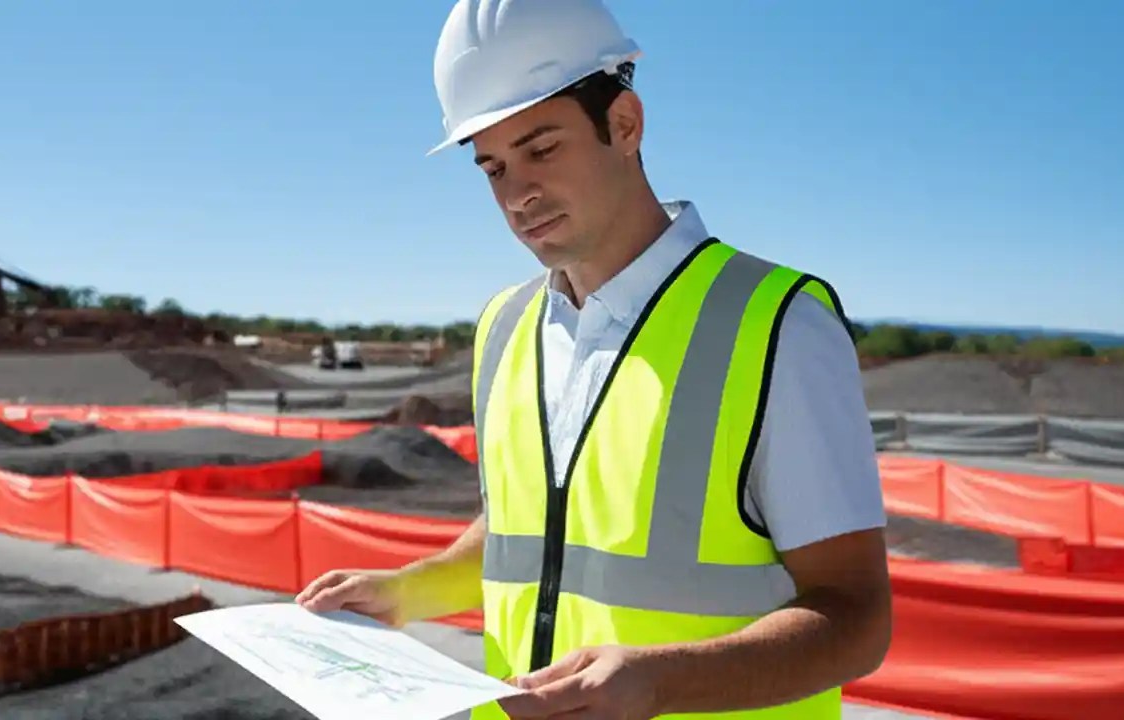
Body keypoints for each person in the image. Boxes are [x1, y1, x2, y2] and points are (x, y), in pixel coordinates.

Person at [297, 1, 892, 717]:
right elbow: (534, 534)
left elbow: (857, 617)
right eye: (493, 167)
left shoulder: (778, 325)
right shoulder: (504, 328)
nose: (519, 195)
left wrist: (661, 681)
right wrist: (407, 590)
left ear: (625, 123)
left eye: (542, 149)